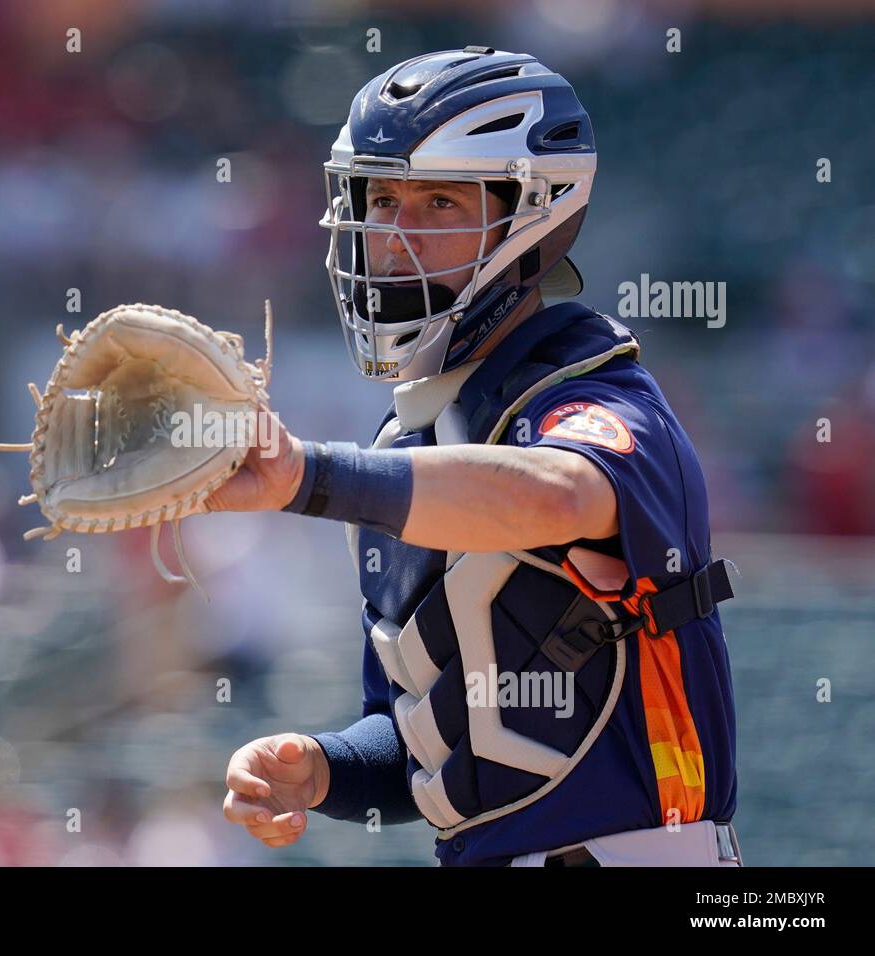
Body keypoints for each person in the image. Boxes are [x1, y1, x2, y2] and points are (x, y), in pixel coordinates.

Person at [209, 47, 741, 867]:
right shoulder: (406, 450)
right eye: (381, 198)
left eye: (440, 201)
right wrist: (321, 769)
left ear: (531, 211)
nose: (392, 234)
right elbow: (428, 738)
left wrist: (312, 479)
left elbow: (563, 493)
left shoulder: (599, 394)